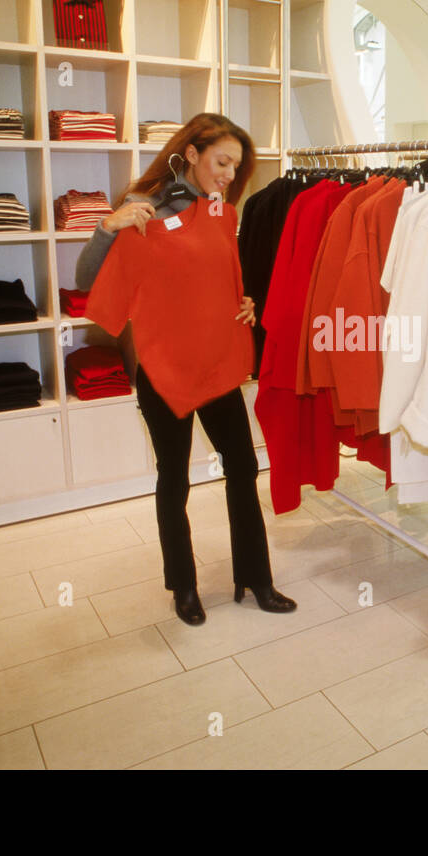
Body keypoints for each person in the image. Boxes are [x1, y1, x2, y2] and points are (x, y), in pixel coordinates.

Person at [76, 113, 296, 626]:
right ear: (192, 153)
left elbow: (218, 274)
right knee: (174, 478)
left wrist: (244, 302)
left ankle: (256, 580)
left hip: (215, 361)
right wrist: (108, 226)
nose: (228, 174)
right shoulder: (144, 209)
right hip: (163, 366)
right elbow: (89, 278)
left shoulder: (222, 212)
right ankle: (184, 588)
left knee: (242, 468)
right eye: (222, 162)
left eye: (236, 166)